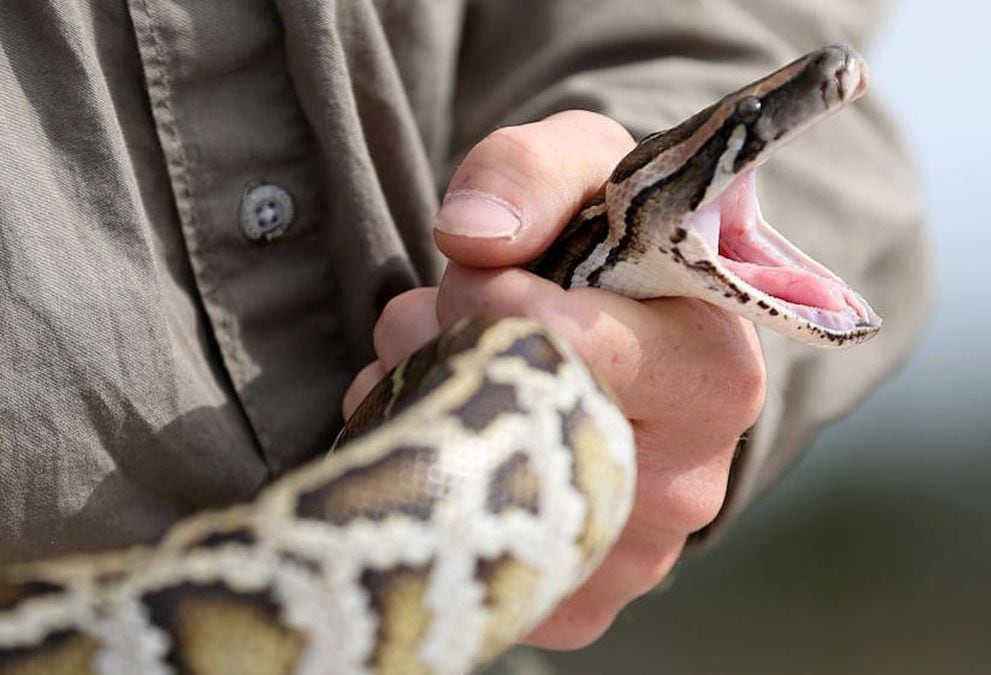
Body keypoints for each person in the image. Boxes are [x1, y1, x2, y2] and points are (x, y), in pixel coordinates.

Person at [0, 0, 930, 650]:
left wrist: (666, 387)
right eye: (750, 124)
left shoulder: (640, 228)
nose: (807, 96)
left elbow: (741, 32)